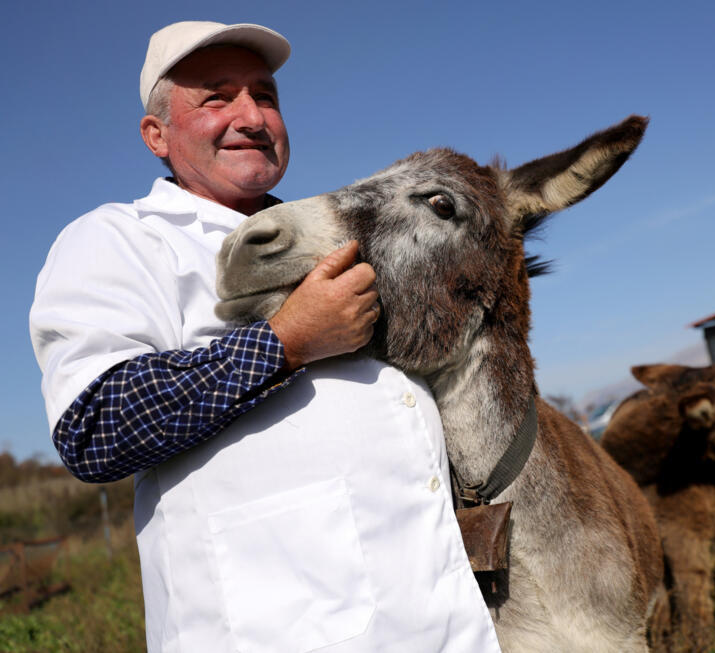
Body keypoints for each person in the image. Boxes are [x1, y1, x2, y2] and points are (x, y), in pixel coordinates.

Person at [30, 21, 501, 652]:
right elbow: (97, 427)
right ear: (157, 135)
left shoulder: (333, 238)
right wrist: (286, 341)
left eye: (266, 96)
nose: (251, 116)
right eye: (217, 97)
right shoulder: (118, 238)